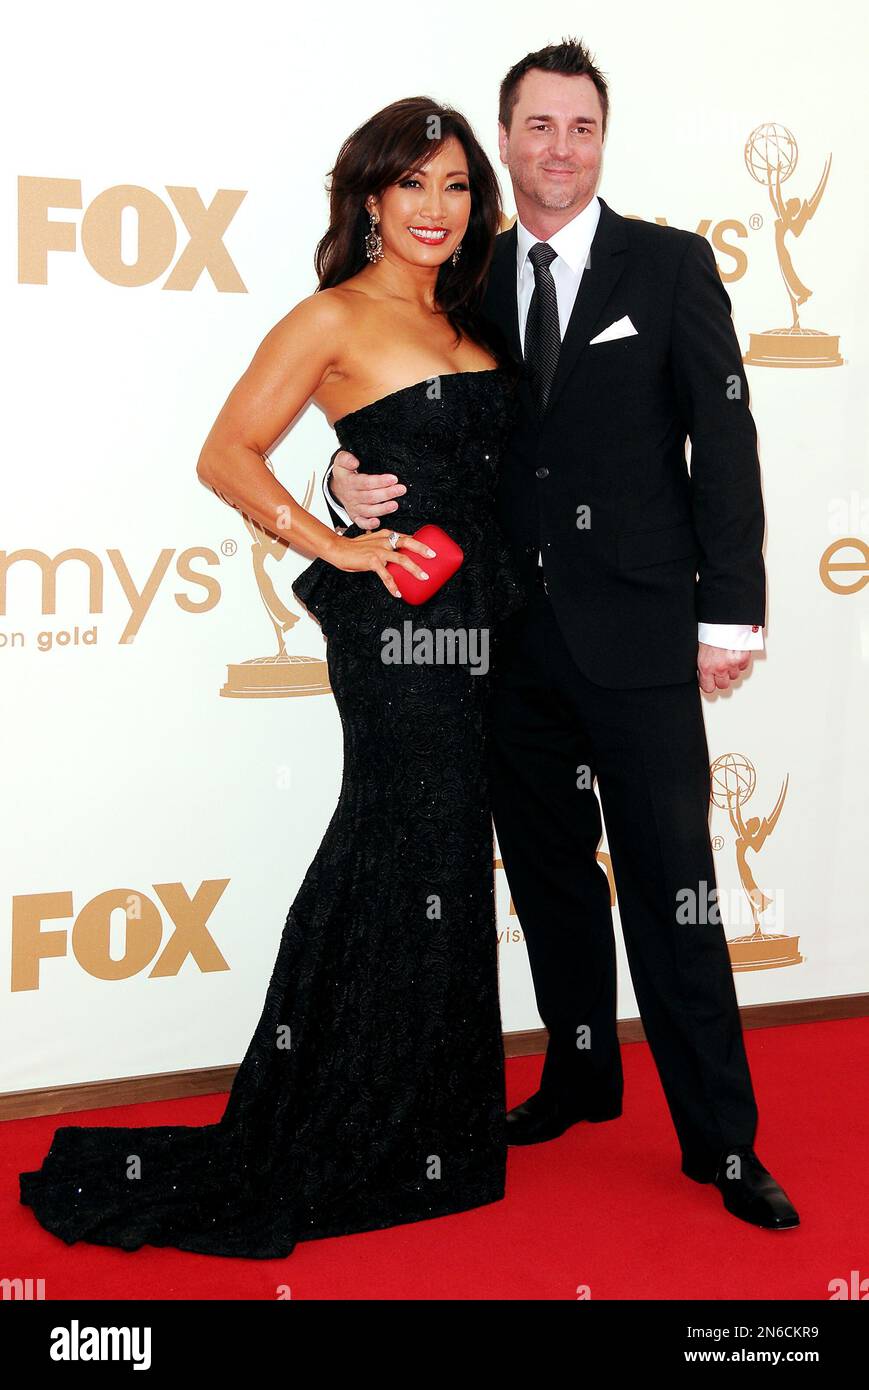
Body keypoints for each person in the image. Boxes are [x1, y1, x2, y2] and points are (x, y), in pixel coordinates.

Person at [19, 98, 529, 1259]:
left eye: (454, 186)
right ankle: (353, 1122)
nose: (435, 208)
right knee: (405, 840)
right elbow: (221, 451)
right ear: (367, 199)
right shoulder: (332, 316)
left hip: (484, 622)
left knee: (430, 854)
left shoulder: (473, 313)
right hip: (400, 634)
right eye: (412, 186)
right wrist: (333, 533)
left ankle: (428, 1120)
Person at [323, 41, 799, 1230]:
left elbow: (723, 446)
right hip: (503, 645)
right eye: (535, 127)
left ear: (601, 139)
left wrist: (725, 610)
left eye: (579, 127)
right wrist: (345, 477)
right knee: (547, 883)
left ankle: (722, 1142)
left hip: (639, 642)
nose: (558, 149)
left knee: (671, 888)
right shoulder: (460, 273)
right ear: (504, 138)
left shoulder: (671, 266)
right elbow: (413, 413)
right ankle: (581, 1071)